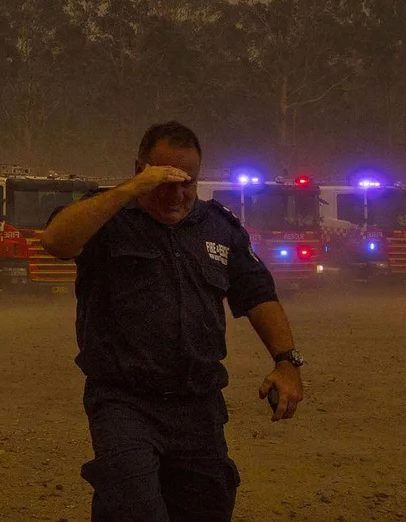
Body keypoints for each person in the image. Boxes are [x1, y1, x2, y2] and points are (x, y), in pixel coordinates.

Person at [40, 121, 304, 522]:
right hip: (125, 402)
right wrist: (129, 190)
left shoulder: (219, 226)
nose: (177, 195)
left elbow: (257, 295)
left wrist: (286, 361)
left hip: (198, 405)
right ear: (140, 170)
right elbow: (56, 241)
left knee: (207, 508)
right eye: (165, 181)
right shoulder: (107, 216)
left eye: (188, 183)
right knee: (133, 506)